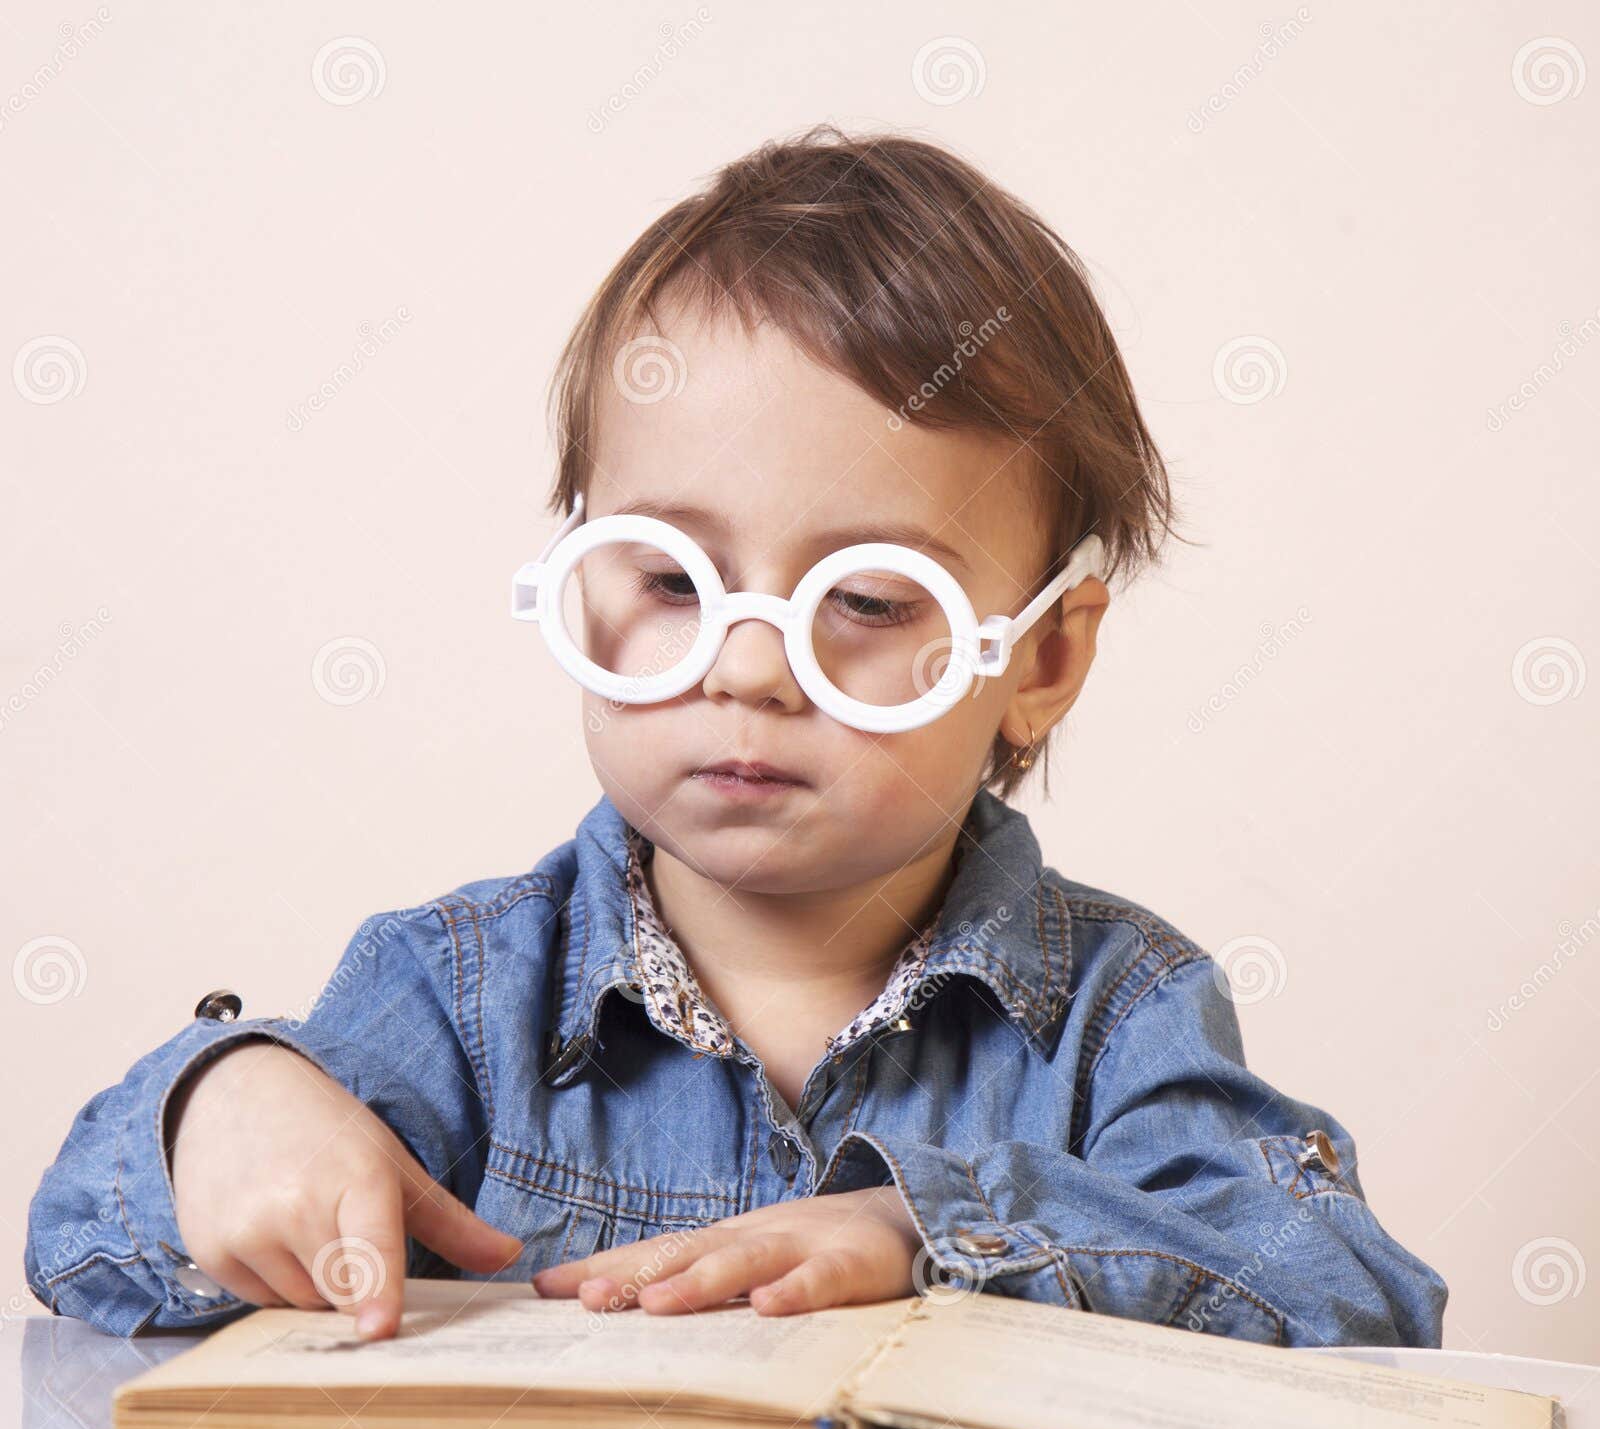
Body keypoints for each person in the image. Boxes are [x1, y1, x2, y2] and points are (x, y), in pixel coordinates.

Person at [25, 127, 1446, 1349]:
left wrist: (930, 1234)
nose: (752, 668)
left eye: (872, 601)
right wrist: (220, 1107)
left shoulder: (1120, 1014)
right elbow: (91, 1255)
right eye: (671, 582)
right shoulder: (456, 1001)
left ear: (1046, 656)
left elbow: (1347, 1287)